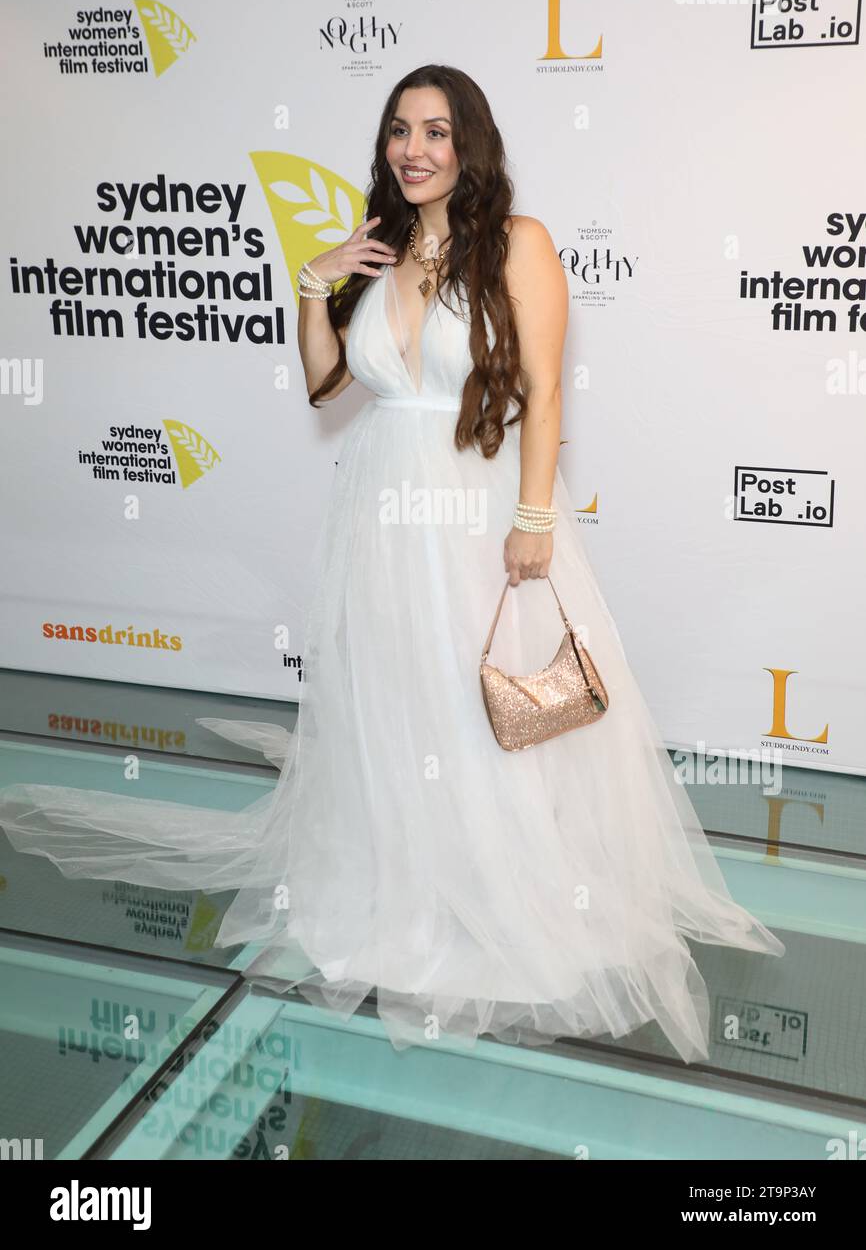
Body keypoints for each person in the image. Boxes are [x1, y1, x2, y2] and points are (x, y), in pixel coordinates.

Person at [0, 64, 784, 1061]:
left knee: (483, 705)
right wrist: (313, 283)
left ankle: (502, 890)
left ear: (469, 145)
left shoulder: (517, 244)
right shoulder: (381, 250)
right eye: (397, 131)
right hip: (377, 515)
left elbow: (543, 393)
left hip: (476, 512)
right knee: (395, 702)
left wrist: (534, 516)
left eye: (434, 131)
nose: (412, 149)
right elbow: (327, 387)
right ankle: (408, 883)